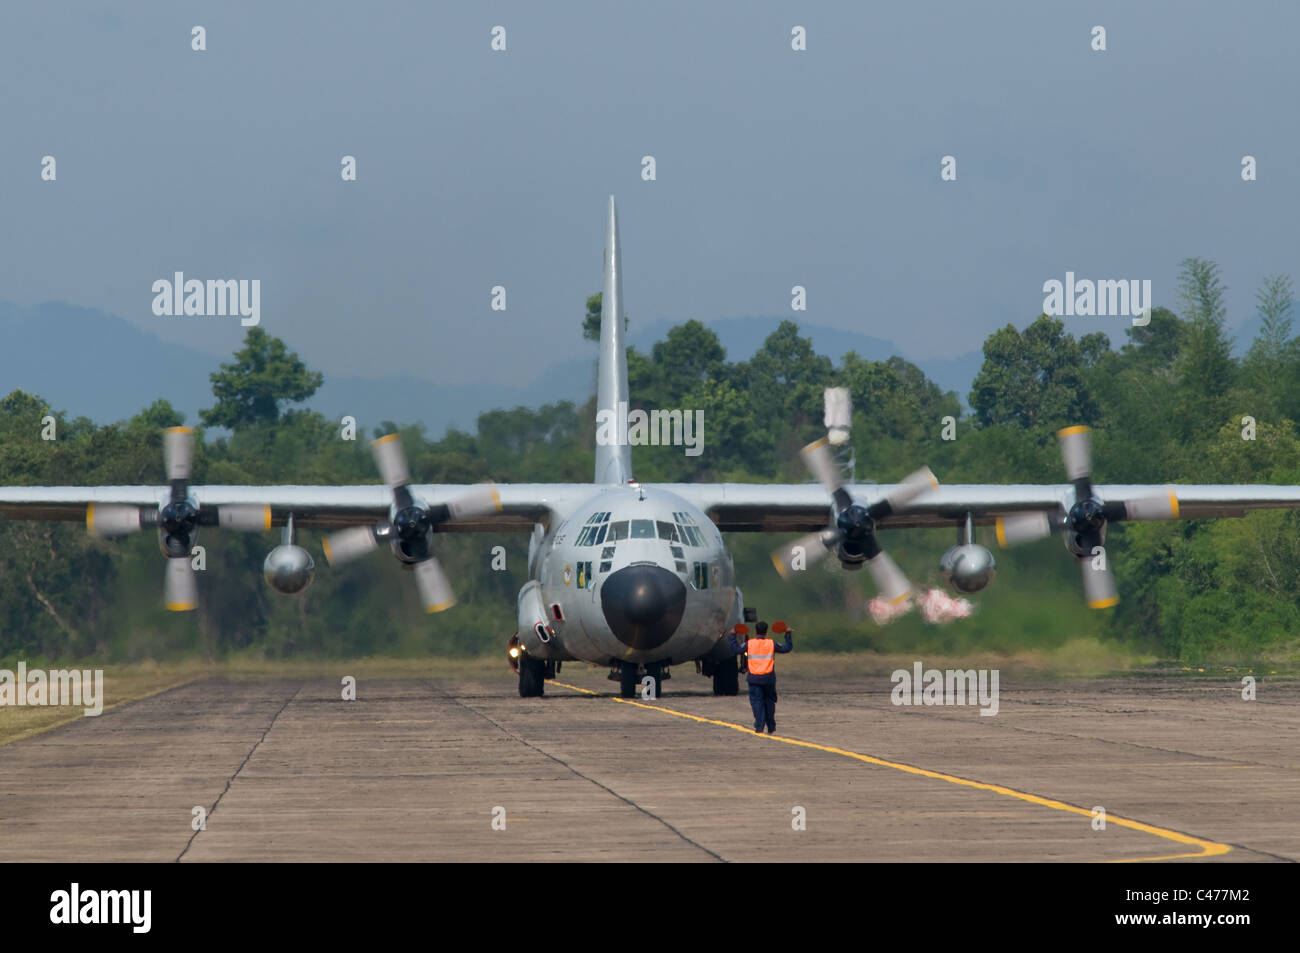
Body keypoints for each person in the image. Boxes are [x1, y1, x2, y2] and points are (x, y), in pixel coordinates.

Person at [727, 620, 793, 734]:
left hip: (754, 679)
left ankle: (759, 727)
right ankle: (771, 727)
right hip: (768, 678)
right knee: (770, 703)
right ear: (766, 632)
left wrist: (732, 636)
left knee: (757, 703)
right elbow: (786, 648)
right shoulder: (771, 643)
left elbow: (736, 649)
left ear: (756, 631)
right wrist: (788, 635)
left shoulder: (750, 643)